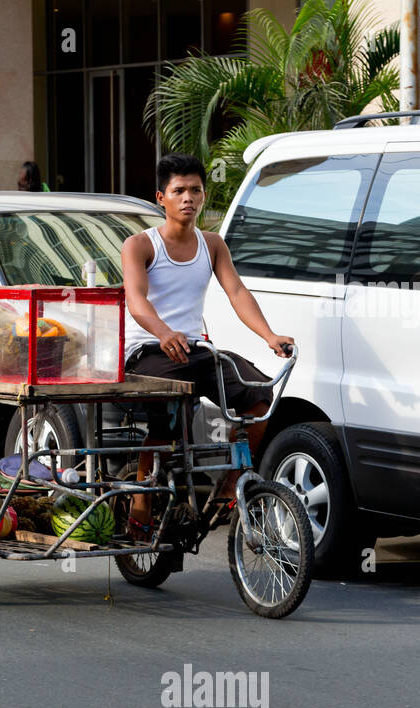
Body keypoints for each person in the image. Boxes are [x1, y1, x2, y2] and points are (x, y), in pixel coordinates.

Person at [122, 153, 294, 533]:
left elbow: (236, 291)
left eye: (195, 190)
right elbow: (136, 302)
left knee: (260, 396)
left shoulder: (212, 244)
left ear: (203, 195)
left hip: (196, 351)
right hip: (147, 352)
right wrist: (164, 332)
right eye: (178, 191)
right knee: (170, 422)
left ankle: (228, 487)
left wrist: (269, 335)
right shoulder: (140, 245)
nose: (188, 198)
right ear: (160, 198)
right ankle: (140, 501)